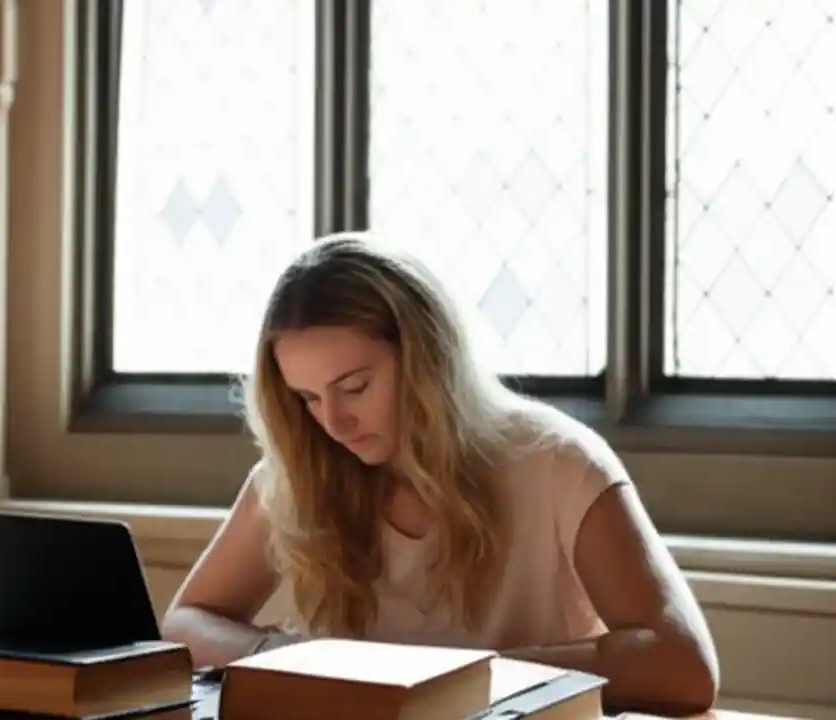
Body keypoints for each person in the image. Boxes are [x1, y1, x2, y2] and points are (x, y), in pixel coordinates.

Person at [160, 234, 719, 715]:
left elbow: (683, 665)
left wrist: (455, 680)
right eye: (307, 398)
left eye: (355, 387)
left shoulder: (558, 462)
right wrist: (297, 661)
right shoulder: (298, 475)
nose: (333, 422)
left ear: (427, 360)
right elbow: (185, 623)